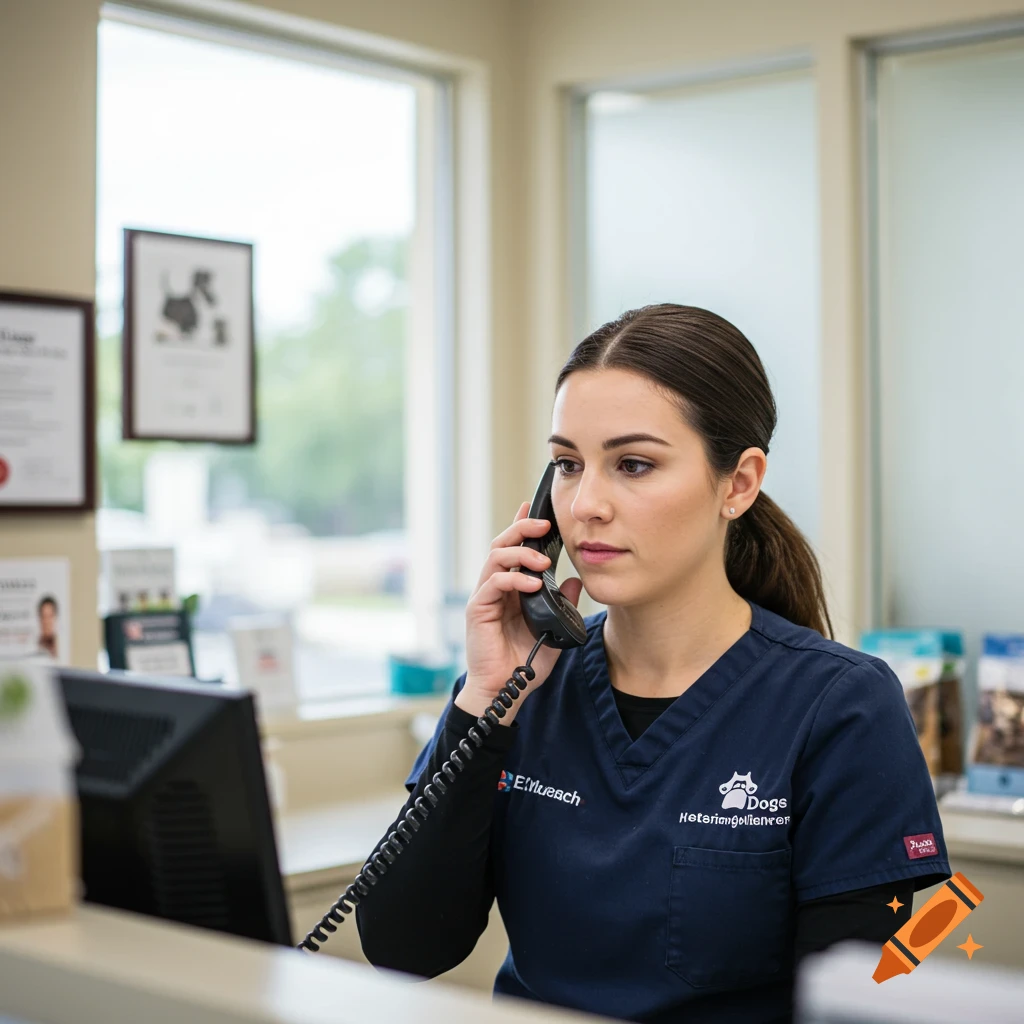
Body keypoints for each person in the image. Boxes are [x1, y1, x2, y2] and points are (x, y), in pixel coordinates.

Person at [354, 305, 951, 1023]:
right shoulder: (522, 686)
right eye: (569, 465)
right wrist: (486, 696)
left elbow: (856, 1006)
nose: (587, 505)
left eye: (634, 464)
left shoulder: (841, 706)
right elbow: (402, 946)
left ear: (738, 483)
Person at [36, 595, 58, 660]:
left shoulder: (62, 647)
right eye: (43, 616)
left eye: (50, 616)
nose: (46, 622)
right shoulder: (34, 645)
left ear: (55, 617)